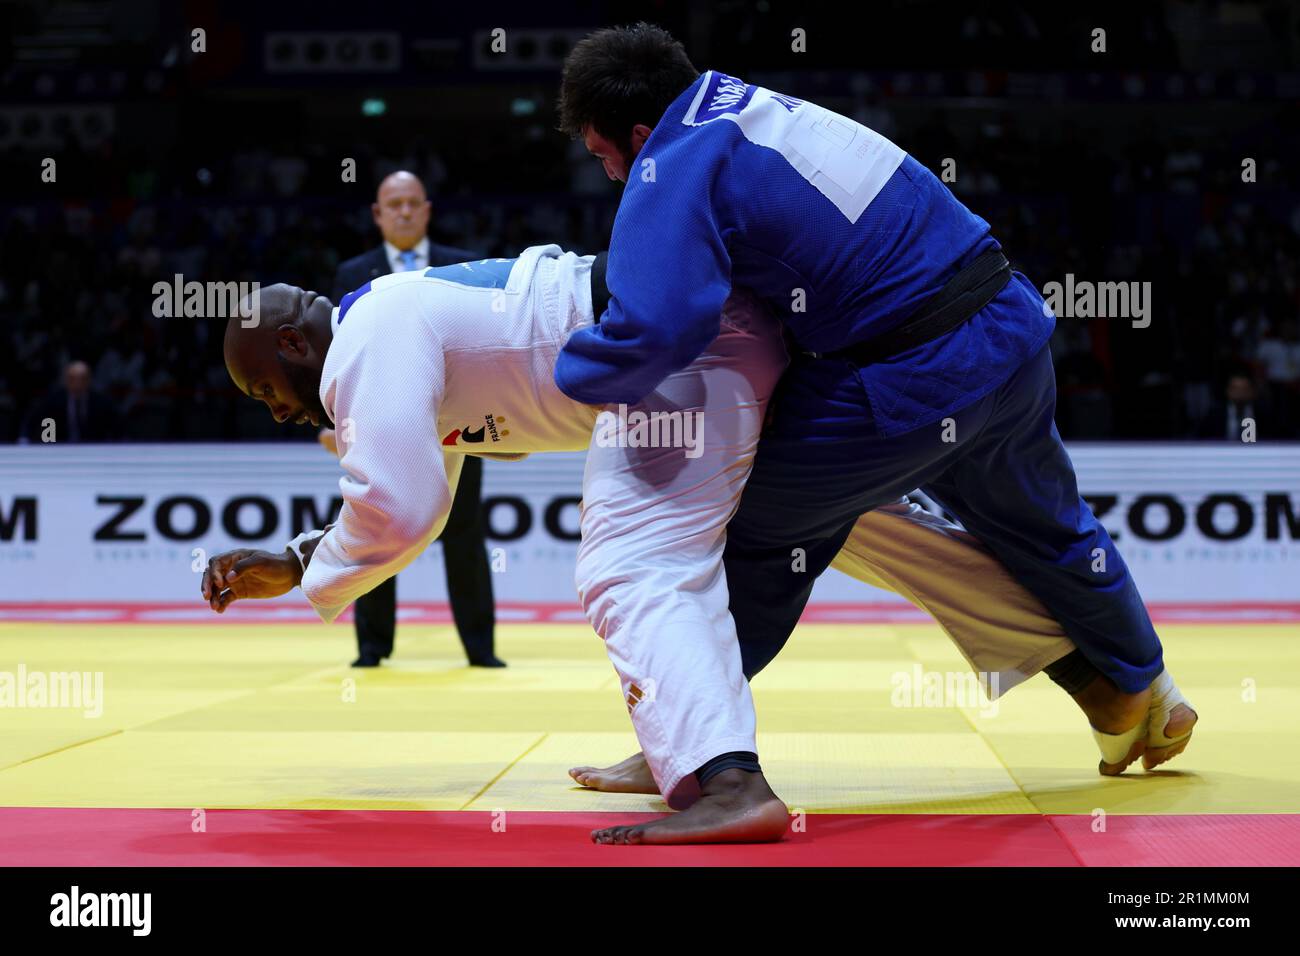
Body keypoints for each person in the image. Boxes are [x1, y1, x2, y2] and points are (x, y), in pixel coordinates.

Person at [199, 246, 1183, 845]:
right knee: (858, 522)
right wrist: (308, 548)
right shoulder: (397, 323)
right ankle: (1116, 683)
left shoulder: (363, 341)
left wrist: (305, 569)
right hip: (706, 335)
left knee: (627, 558)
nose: (278, 412)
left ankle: (718, 770)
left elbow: (404, 507)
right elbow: (426, 488)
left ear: (292, 344)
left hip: (673, 355)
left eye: (261, 390)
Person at [552, 24, 1196, 841]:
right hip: (1010, 326)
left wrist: (561, 381)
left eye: (605, 153)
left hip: (909, 379)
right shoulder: (754, 106)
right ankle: (1148, 685)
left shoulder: (670, 161)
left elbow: (657, 331)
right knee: (1050, 524)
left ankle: (698, 752)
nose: (610, 171)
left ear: (638, 132)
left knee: (751, 525)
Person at [329, 170, 500, 668]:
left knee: (464, 531)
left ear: (426, 209)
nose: (403, 212)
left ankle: (481, 649)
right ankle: (372, 648)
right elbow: (340, 354)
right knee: (375, 526)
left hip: (455, 421)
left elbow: (482, 345)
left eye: (411, 203)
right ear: (378, 214)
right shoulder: (351, 275)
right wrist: (333, 423)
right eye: (393, 204)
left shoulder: (461, 266)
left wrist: (496, 418)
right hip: (379, 426)